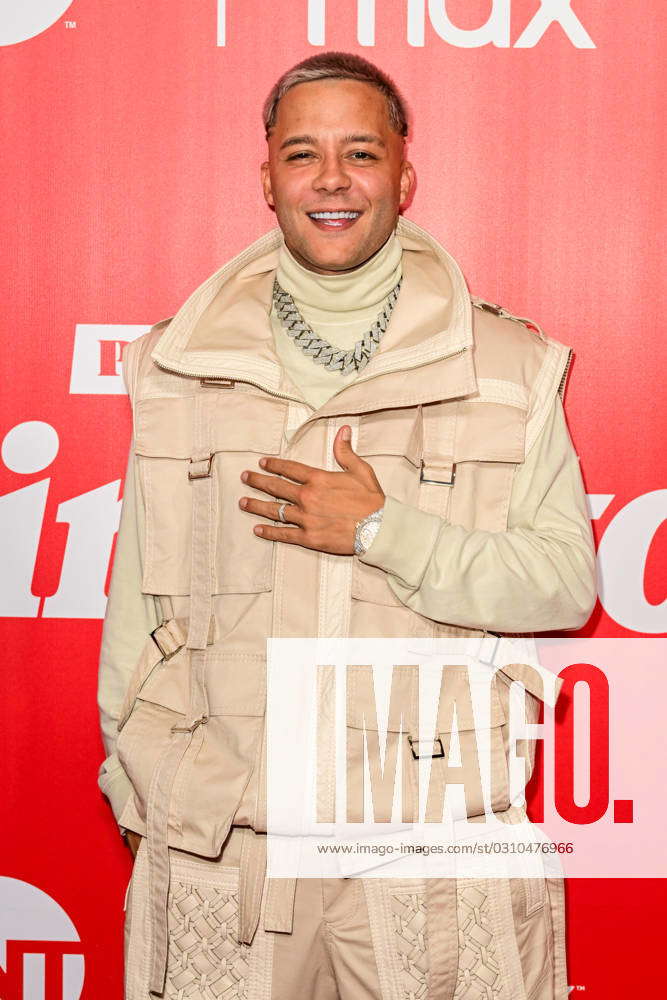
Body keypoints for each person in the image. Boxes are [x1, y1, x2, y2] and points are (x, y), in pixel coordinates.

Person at [97, 51, 597, 1000]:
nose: (331, 178)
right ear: (266, 179)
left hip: (430, 852)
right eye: (302, 153)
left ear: (403, 178)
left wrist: (382, 532)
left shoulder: (507, 366)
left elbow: (564, 586)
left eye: (360, 152)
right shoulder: (177, 365)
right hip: (225, 849)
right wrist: (141, 788)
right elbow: (137, 607)